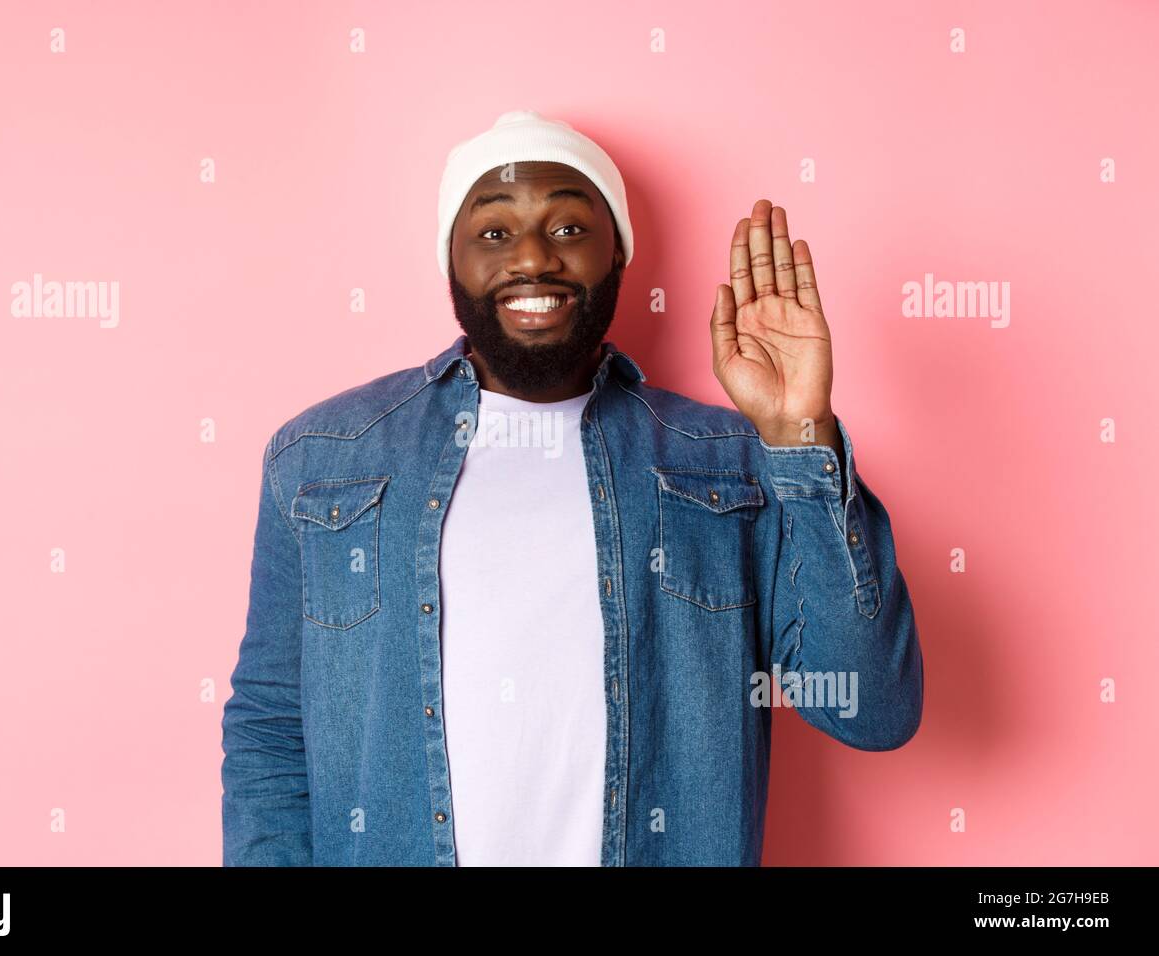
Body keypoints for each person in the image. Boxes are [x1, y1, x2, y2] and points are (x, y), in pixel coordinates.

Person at [220, 109, 924, 866]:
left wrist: (799, 435)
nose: (532, 259)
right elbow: (270, 727)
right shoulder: (324, 458)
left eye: (567, 229)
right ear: (449, 259)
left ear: (617, 249)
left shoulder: (730, 462)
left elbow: (873, 708)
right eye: (493, 232)